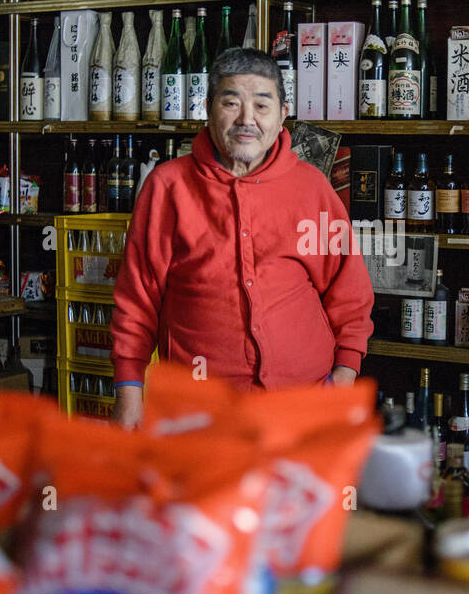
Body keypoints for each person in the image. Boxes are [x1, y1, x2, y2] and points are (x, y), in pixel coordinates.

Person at [110, 48, 375, 428]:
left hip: (305, 405)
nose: (246, 119)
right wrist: (129, 392)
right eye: (231, 103)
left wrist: (344, 377)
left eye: (262, 106)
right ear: (207, 108)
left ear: (284, 114)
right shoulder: (168, 186)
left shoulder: (311, 188)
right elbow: (137, 300)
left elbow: (349, 293)